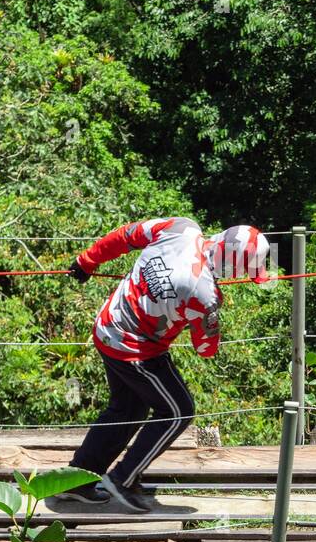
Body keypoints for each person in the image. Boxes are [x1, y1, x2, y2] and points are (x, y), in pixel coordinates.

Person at [65, 218, 270, 511]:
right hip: (135, 349)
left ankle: (76, 480)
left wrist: (87, 261)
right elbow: (205, 349)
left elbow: (125, 236)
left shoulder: (181, 228)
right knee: (178, 411)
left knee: (127, 409)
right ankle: (122, 478)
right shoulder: (206, 294)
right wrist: (209, 320)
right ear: (233, 269)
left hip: (108, 324)